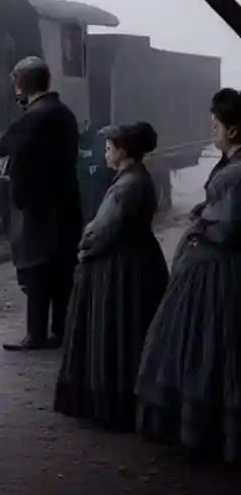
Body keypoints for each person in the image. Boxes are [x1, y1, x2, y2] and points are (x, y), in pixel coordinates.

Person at [136, 89, 241, 463]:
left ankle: (207, 431)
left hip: (218, 274)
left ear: (233, 130)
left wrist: (201, 223)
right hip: (210, 269)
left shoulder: (236, 172)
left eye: (216, 124)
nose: (211, 129)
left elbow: (229, 226)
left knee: (210, 348)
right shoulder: (230, 167)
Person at [53, 122, 167, 431]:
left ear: (122, 151)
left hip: (120, 267)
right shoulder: (135, 180)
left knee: (115, 330)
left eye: (108, 148)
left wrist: (84, 248)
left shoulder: (127, 185)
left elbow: (104, 230)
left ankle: (113, 401)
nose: (105, 153)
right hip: (137, 260)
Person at [2, 56, 83, 351]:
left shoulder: (32, 118)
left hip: (38, 211)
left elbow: (15, 160)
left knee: (35, 274)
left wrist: (17, 200)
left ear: (21, 82)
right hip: (66, 207)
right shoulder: (64, 114)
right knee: (61, 273)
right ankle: (61, 330)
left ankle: (35, 334)